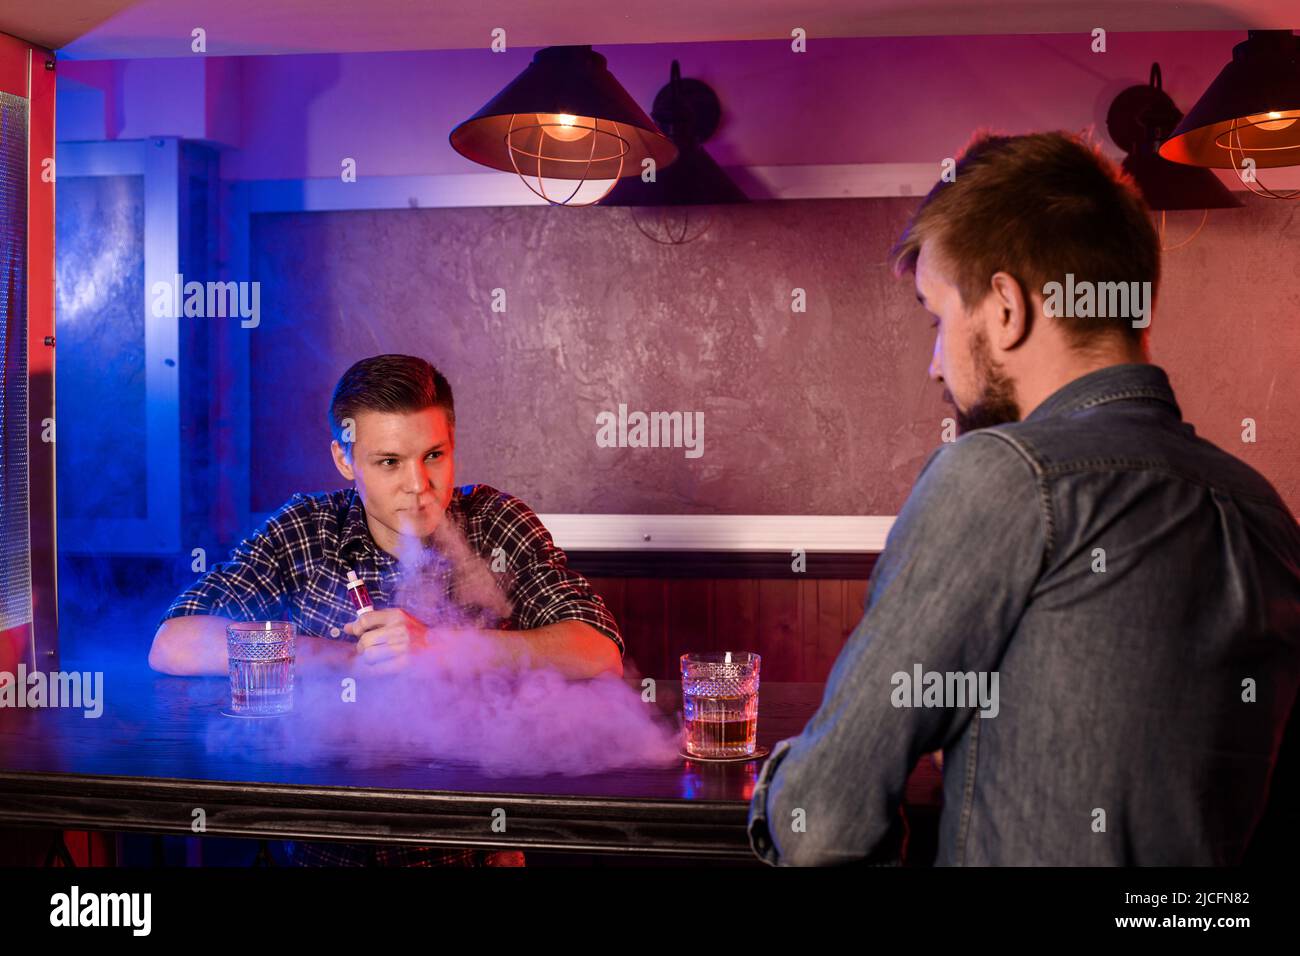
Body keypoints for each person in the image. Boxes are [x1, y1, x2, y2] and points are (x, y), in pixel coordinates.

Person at [747, 130, 1300, 866]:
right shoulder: (1262, 506)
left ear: (1005, 307)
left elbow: (822, 823)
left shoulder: (1002, 475)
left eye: (937, 318)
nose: (934, 363)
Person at [149, 354, 624, 865]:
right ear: (344, 458)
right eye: (390, 462)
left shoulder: (495, 523)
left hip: (470, 846)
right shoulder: (306, 529)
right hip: (320, 846)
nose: (418, 486)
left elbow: (599, 652)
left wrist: (444, 649)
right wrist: (348, 659)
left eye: (434, 456)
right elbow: (172, 643)